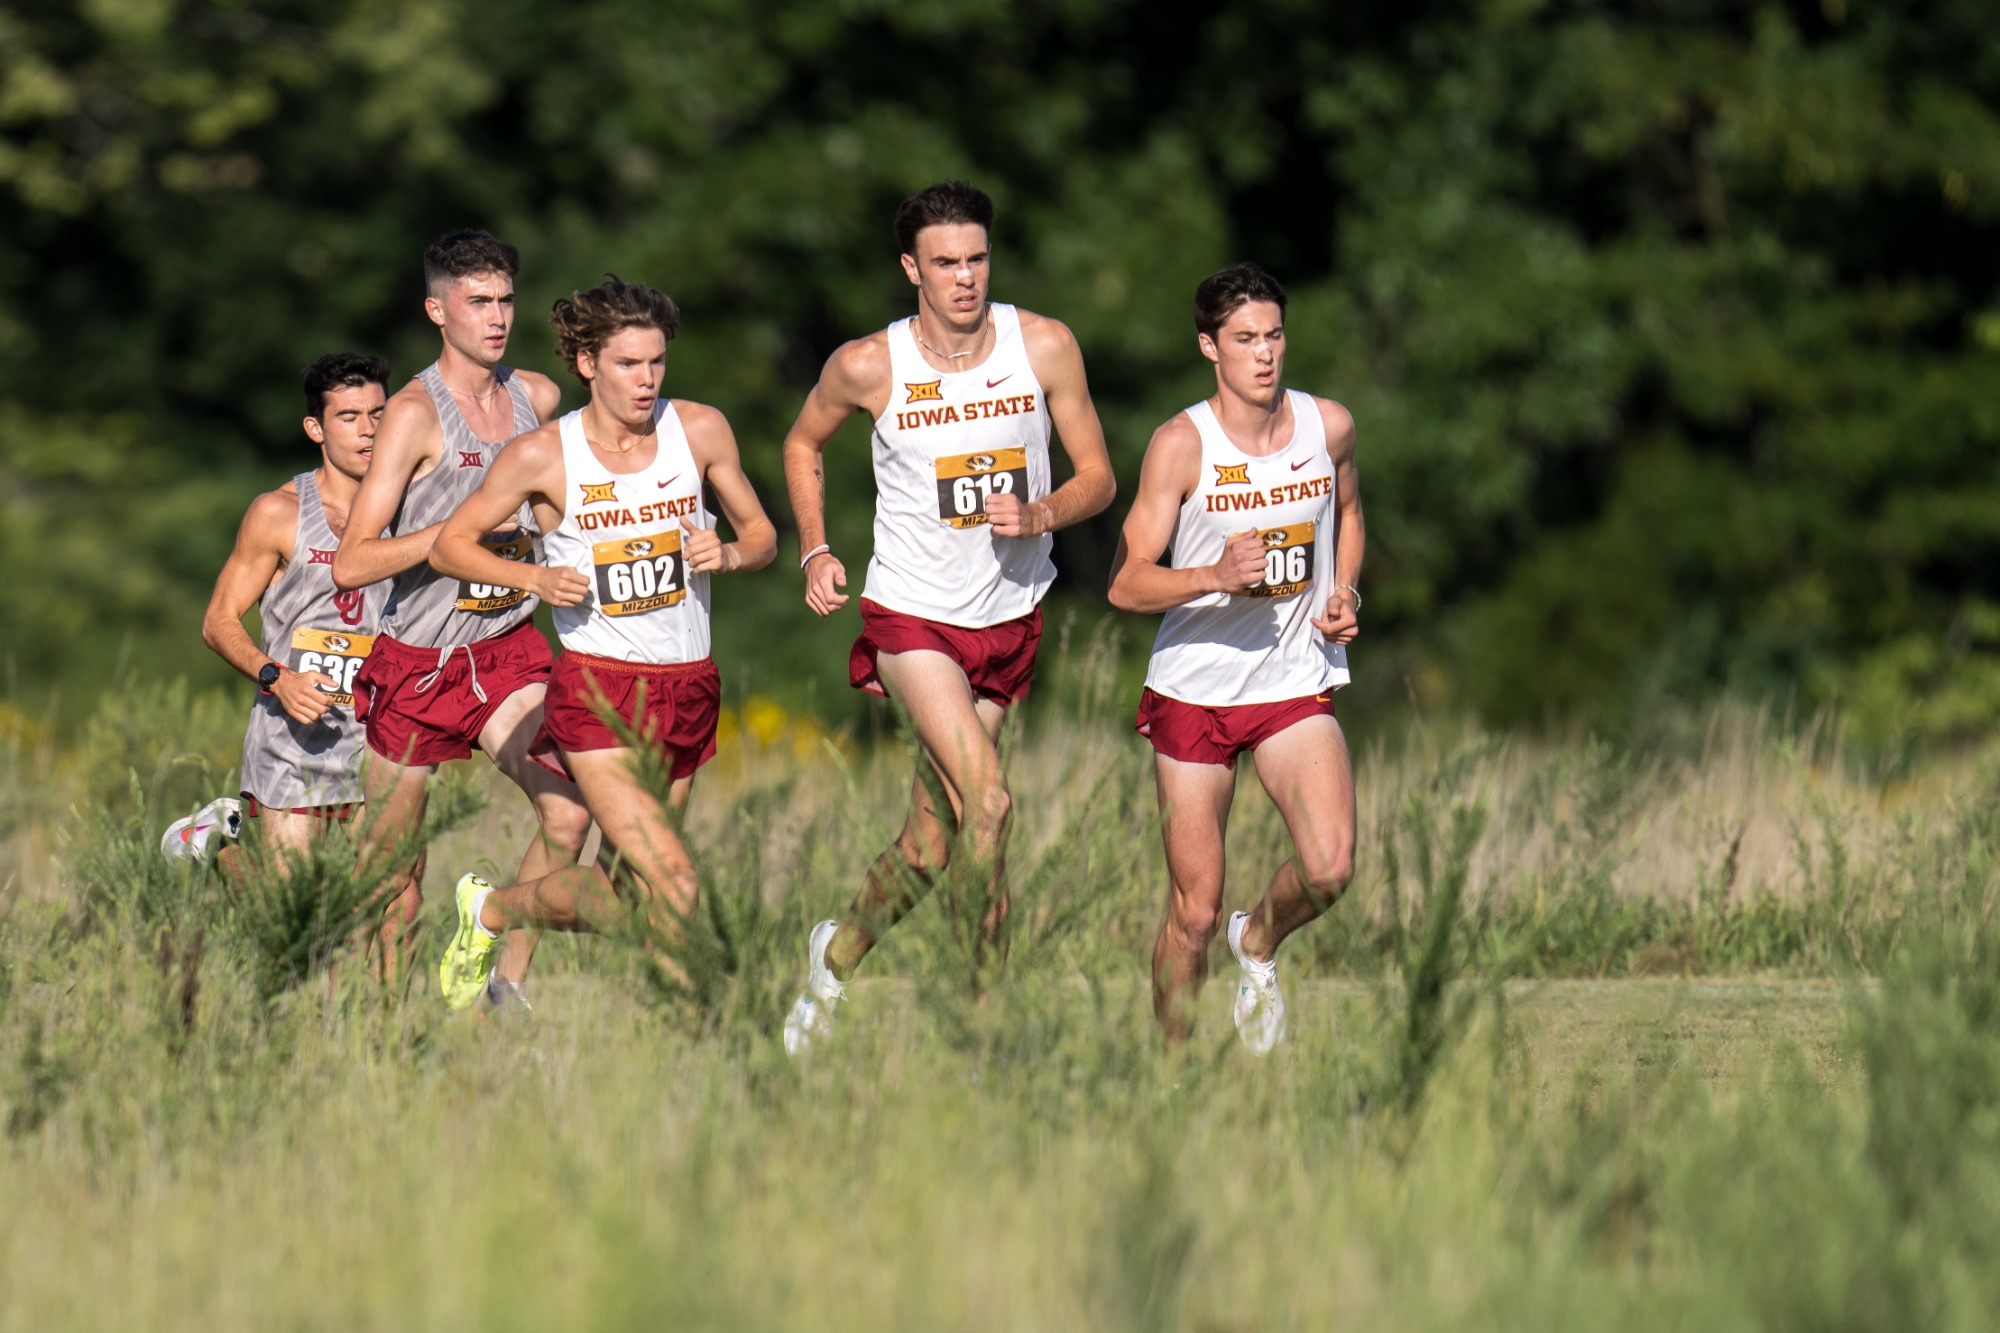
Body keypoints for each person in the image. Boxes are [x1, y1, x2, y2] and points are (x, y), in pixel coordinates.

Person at [778, 180, 1116, 1054]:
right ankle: (984, 1029)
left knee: (934, 844)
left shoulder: (1044, 345)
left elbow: (1098, 476)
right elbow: (803, 441)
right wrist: (815, 548)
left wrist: (1040, 513)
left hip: (1008, 616)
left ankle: (834, 959)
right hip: (912, 616)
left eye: (977, 259)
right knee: (991, 804)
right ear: (911, 269)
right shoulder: (868, 365)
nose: (964, 277)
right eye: (945, 262)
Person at [429, 277, 775, 1006]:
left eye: (656, 362)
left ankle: (491, 910)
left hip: (690, 685)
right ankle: (701, 1037)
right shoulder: (541, 456)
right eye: (627, 364)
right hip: (599, 690)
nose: (647, 380)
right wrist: (534, 580)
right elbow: (450, 545)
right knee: (676, 882)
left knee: (631, 896)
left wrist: (730, 553)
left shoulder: (700, 429)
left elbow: (763, 537)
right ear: (587, 363)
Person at [1106, 262, 1364, 1054]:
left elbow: (1350, 513)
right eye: (1246, 338)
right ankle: (1174, 1075)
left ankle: (1257, 942)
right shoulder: (1181, 444)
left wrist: (1345, 591)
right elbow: (1124, 582)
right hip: (1195, 692)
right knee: (1194, 912)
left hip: (1292, 682)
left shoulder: (1329, 426)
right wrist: (1213, 576)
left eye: (1274, 335)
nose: (1265, 353)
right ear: (1209, 347)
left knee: (1329, 866)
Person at [333, 230, 591, 1007]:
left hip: (507, 651)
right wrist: (456, 537)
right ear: (437, 311)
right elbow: (352, 561)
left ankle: (503, 984)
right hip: (418, 663)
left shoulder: (538, 398)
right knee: (391, 870)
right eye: (478, 302)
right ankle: (381, 1022)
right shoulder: (414, 416)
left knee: (570, 811)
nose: (497, 316)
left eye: (506, 299)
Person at [190, 354, 419, 967]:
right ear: (316, 428)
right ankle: (222, 846)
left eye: (378, 414)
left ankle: (386, 1025)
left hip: (382, 732)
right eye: (349, 417)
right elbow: (218, 621)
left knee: (397, 897)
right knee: (298, 924)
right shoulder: (279, 513)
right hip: (296, 733)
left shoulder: (411, 509)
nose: (368, 430)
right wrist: (278, 678)